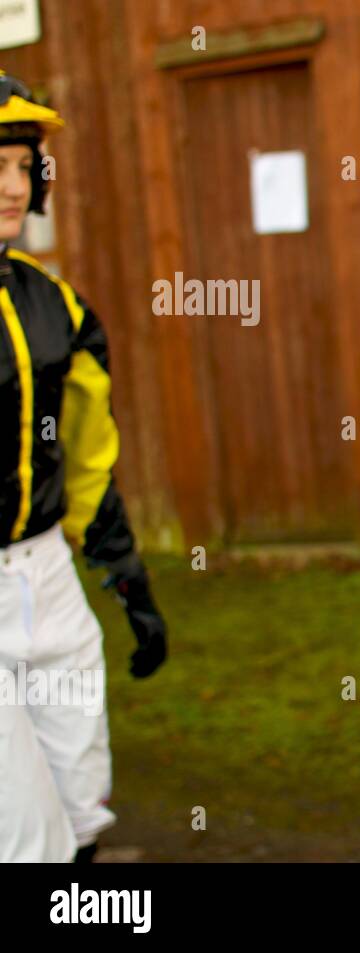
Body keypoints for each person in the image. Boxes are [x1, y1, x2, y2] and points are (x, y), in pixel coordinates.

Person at [0, 72, 168, 863]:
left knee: (80, 801)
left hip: (48, 575)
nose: (10, 184)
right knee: (21, 827)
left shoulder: (56, 304)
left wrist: (127, 575)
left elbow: (89, 453)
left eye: (21, 164)